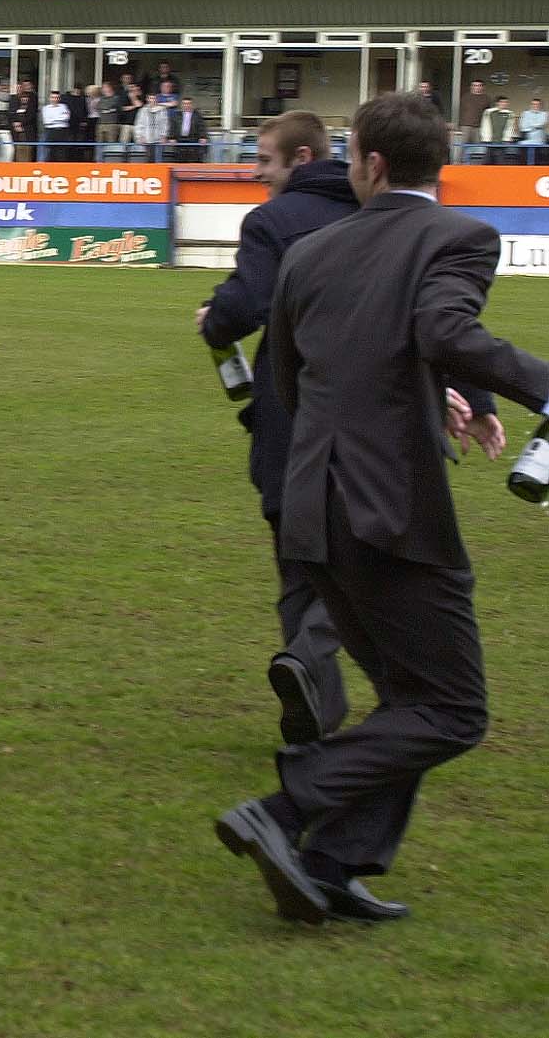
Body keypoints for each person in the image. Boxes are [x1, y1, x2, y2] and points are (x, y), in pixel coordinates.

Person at [216, 92, 548, 925]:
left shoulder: (311, 251)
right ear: (442, 162)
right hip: (387, 505)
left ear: (366, 163)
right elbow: (441, 331)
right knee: (451, 708)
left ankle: (329, 865)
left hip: (309, 503)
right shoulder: (459, 235)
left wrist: (410, 390)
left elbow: (286, 381)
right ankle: (288, 808)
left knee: (410, 695)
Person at [196, 112, 360, 748]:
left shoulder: (275, 221)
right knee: (360, 554)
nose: (257, 173)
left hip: (293, 420)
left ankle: (311, 671)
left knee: (305, 568)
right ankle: (312, 704)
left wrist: (215, 319)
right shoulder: (376, 214)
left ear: (298, 157)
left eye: (263, 161)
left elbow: (246, 305)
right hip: (378, 423)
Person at [39, 90, 70, 161]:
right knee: (50, 151)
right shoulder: (46, 108)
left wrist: (53, 119)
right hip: (50, 131)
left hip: (62, 131)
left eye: (56, 98)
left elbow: (66, 118)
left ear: (59, 99)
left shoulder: (64, 106)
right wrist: (59, 118)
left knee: (61, 151)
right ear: (50, 98)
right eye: (53, 97)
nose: (54, 99)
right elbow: (46, 121)